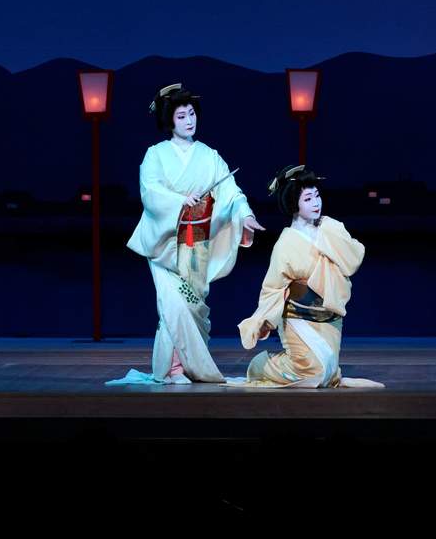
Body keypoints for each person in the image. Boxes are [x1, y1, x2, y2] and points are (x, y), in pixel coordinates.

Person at [107, 83, 264, 385]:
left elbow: (230, 190)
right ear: (169, 121)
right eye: (181, 116)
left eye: (192, 114)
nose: (189, 120)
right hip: (166, 243)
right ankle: (172, 369)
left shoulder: (208, 155)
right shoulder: (155, 154)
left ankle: (186, 366)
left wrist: (244, 214)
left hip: (198, 243)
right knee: (173, 305)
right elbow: (150, 190)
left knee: (193, 305)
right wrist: (179, 200)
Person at [235, 165, 382, 388]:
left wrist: (327, 240)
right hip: (298, 318)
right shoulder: (285, 244)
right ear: (294, 203)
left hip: (330, 317)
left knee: (326, 375)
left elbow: (353, 256)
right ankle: (262, 365)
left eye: (317, 196)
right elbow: (273, 288)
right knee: (311, 374)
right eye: (308, 198)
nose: (316, 203)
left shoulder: (330, 227)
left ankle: (327, 372)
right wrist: (261, 319)